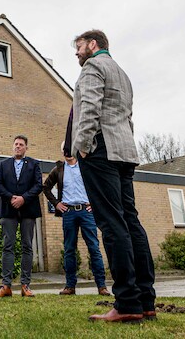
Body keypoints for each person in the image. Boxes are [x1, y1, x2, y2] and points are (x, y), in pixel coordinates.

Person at [69, 29, 155, 323]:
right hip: (125, 152)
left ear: (93, 44)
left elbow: (90, 108)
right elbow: (127, 116)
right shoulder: (122, 72)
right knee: (131, 221)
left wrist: (81, 146)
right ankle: (145, 301)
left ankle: (127, 302)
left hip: (100, 150)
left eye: (79, 46)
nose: (77, 53)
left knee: (111, 222)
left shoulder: (93, 66)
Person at [43, 139, 110, 296]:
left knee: (94, 247)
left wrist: (95, 203)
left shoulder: (85, 166)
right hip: (69, 213)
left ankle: (102, 286)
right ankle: (70, 286)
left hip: (87, 213)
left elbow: (100, 184)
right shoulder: (58, 169)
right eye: (64, 149)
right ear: (62, 152)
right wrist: (56, 204)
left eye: (69, 148)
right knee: (69, 249)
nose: (67, 152)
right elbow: (45, 187)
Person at [0, 135, 42, 297]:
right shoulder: (3, 164)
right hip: (8, 209)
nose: (18, 146)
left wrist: (23, 198)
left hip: (28, 210)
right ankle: (6, 286)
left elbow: (38, 185)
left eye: (21, 144)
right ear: (12, 146)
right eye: (16, 144)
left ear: (26, 148)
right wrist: (11, 197)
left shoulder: (34, 164)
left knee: (27, 246)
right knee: (8, 246)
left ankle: (25, 285)